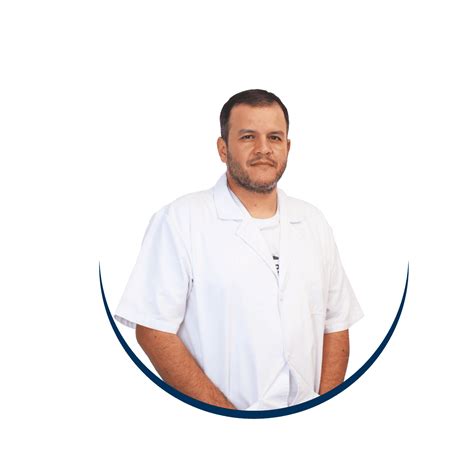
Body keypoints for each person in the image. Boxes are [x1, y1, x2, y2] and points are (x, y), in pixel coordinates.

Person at [115, 89, 364, 410]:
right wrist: (227, 416)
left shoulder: (313, 222)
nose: (264, 149)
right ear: (223, 148)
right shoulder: (180, 220)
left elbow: (336, 322)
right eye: (248, 137)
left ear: (288, 147)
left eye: (274, 138)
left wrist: (321, 407)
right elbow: (153, 330)